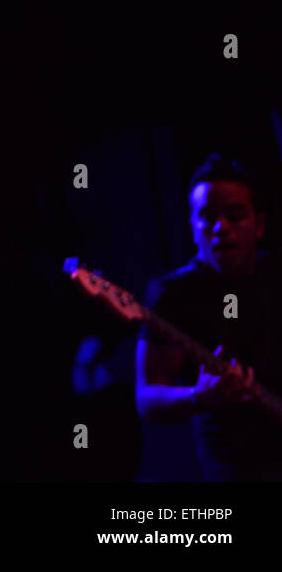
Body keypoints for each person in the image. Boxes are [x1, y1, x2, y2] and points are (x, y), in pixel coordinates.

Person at [135, 153, 282, 481]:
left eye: (235, 215)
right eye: (207, 216)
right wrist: (199, 396)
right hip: (239, 472)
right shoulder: (173, 294)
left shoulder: (276, 273)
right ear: (192, 226)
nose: (220, 228)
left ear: (259, 225)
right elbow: (147, 398)